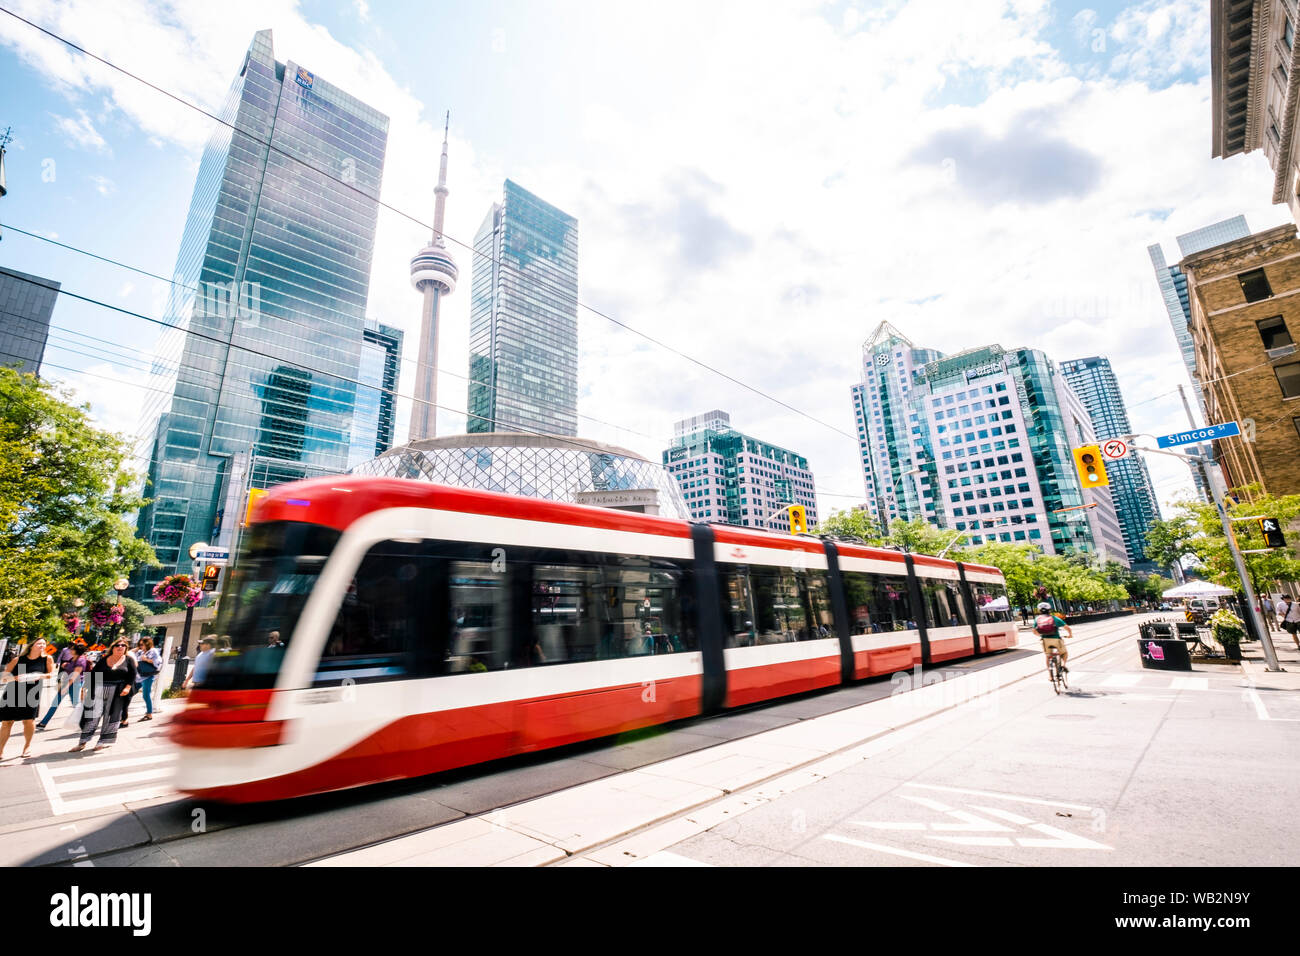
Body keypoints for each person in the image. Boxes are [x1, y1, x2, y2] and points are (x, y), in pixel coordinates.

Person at [71, 639, 138, 753]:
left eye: (123, 645)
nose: (120, 647)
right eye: (118, 645)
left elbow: (132, 675)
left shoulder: (129, 660)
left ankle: (102, 742)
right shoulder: (104, 660)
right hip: (98, 691)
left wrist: (127, 687)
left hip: (117, 693)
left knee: (111, 717)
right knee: (91, 717)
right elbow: (93, 674)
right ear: (113, 647)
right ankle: (82, 743)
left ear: (126, 648)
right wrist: (85, 688)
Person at [0, 638, 55, 759]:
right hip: (12, 692)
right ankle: (0, 750)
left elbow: (50, 674)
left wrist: (39, 675)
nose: (42, 645)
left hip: (32, 693)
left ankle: (27, 747)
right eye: (39, 643)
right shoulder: (18, 659)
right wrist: (15, 678)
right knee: (7, 723)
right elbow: (4, 677)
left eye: (44, 644)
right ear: (32, 646)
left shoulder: (47, 658)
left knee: (28, 721)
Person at [36, 639, 88, 730]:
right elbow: (69, 668)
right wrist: (65, 665)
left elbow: (75, 675)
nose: (70, 651)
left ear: (76, 651)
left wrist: (66, 686)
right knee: (55, 703)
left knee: (75, 704)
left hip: (74, 683)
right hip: (67, 682)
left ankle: (85, 723)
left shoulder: (81, 660)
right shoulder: (73, 659)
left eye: (72, 649)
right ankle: (43, 723)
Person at [1033, 601, 1072, 675]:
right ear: (1049, 610)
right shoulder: (1054, 618)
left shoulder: (1037, 619)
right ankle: (1063, 665)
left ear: (1039, 610)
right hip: (1056, 639)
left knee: (1048, 656)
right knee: (1064, 653)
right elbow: (1067, 628)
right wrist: (1070, 635)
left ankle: (1050, 675)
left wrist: (1041, 636)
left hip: (1045, 641)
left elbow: (1034, 631)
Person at [132, 637, 162, 722]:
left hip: (148, 675)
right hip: (139, 675)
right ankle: (122, 713)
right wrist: (138, 648)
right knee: (131, 692)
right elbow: (130, 653)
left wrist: (146, 660)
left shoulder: (153, 651)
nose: (141, 646)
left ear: (148, 643)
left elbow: (158, 663)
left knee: (146, 695)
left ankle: (149, 714)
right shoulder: (140, 651)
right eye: (139, 644)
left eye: (142, 644)